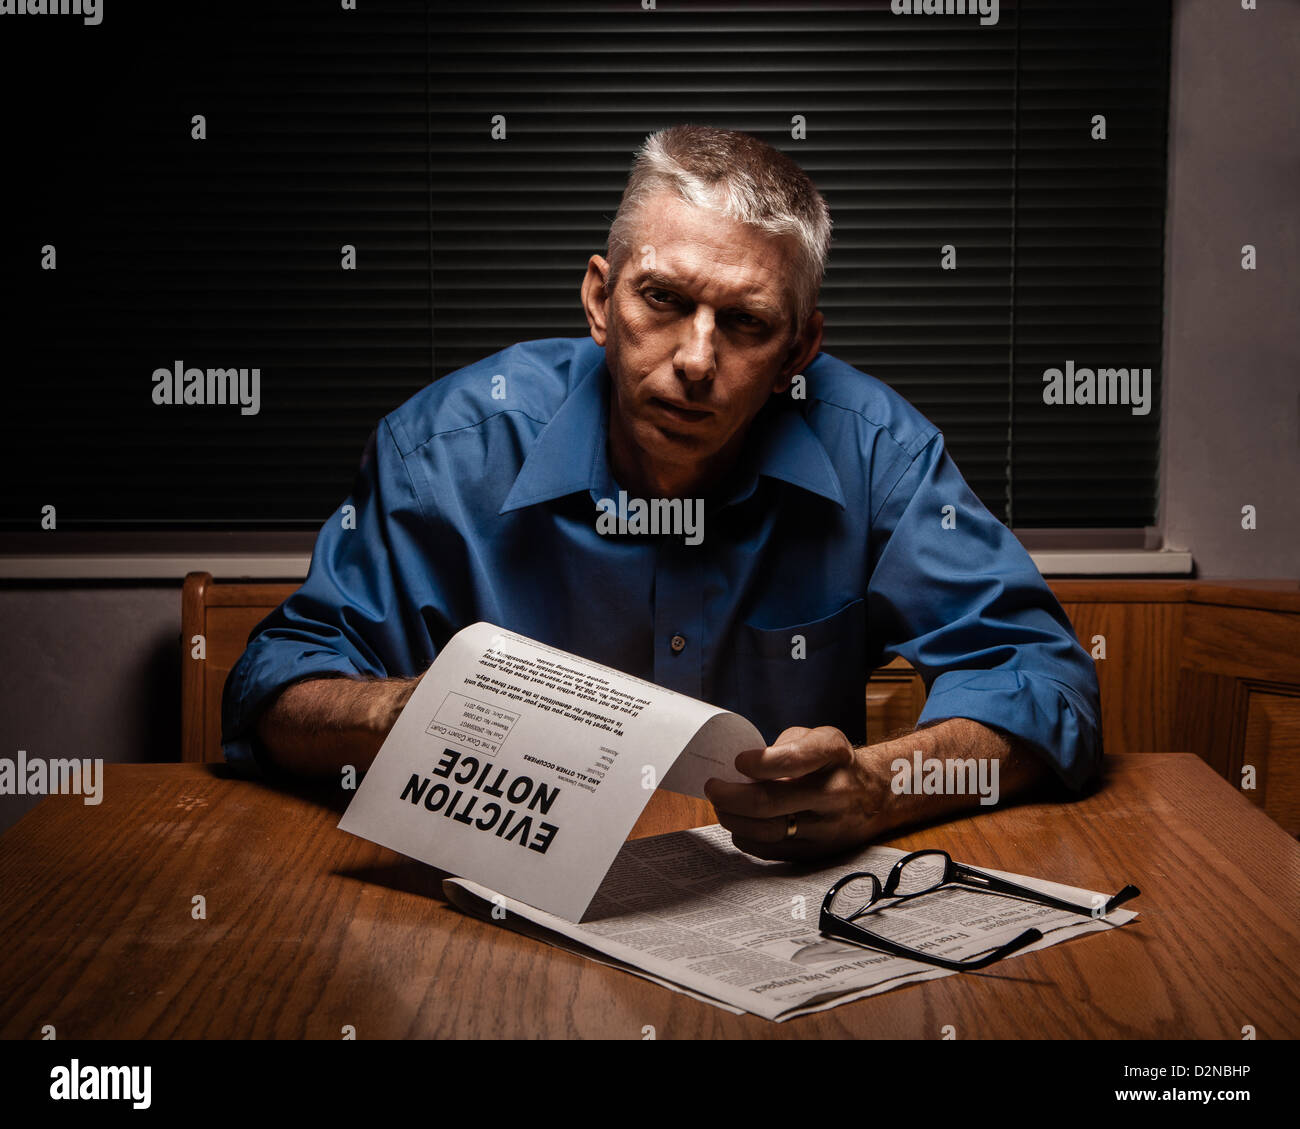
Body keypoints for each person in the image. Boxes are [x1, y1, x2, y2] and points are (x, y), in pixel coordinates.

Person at [221, 125, 1101, 861]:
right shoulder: (447, 450)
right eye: (663, 299)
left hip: (761, 912)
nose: (694, 360)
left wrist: (881, 787)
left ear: (800, 348)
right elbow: (274, 689)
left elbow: (1042, 678)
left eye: (746, 323)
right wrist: (399, 713)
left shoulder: (878, 454)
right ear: (601, 299)